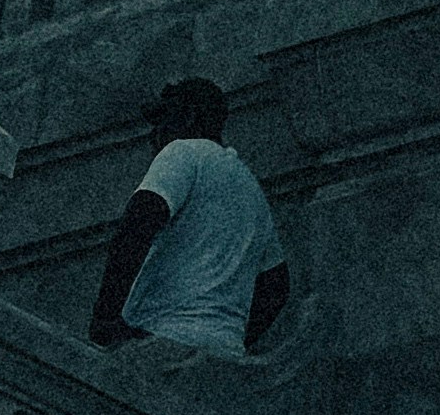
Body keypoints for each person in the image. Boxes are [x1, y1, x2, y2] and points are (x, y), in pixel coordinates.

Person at [89, 80, 292, 359]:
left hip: (165, 337)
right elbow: (276, 285)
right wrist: (231, 336)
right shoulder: (250, 187)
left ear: (189, 116)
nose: (155, 134)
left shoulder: (183, 152)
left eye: (163, 119)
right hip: (225, 352)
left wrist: (105, 317)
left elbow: (137, 225)